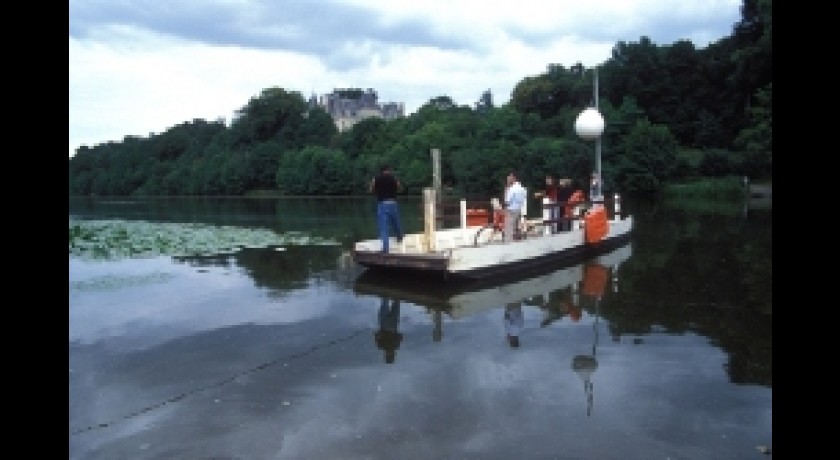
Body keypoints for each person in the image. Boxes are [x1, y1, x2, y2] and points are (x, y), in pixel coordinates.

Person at [369, 164, 404, 253]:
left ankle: (386, 248)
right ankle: (400, 238)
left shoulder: (376, 179)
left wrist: (377, 190)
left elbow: (371, 189)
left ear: (381, 170)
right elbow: (400, 188)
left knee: (383, 227)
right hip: (393, 203)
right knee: (396, 222)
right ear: (389, 170)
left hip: (382, 204)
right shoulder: (394, 178)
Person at [374, 297, 403, 363]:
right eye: (390, 355)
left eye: (388, 355)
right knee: (387, 302)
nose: (389, 353)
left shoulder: (395, 345)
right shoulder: (381, 345)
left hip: (391, 325)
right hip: (387, 325)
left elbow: (400, 336)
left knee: (394, 303)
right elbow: (376, 334)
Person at [503, 171, 527, 242]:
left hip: (511, 210)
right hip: (518, 209)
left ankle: (508, 244)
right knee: (516, 228)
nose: (509, 178)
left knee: (508, 230)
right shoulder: (522, 188)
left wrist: (506, 188)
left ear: (514, 178)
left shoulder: (512, 189)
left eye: (510, 177)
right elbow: (523, 199)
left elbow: (507, 201)